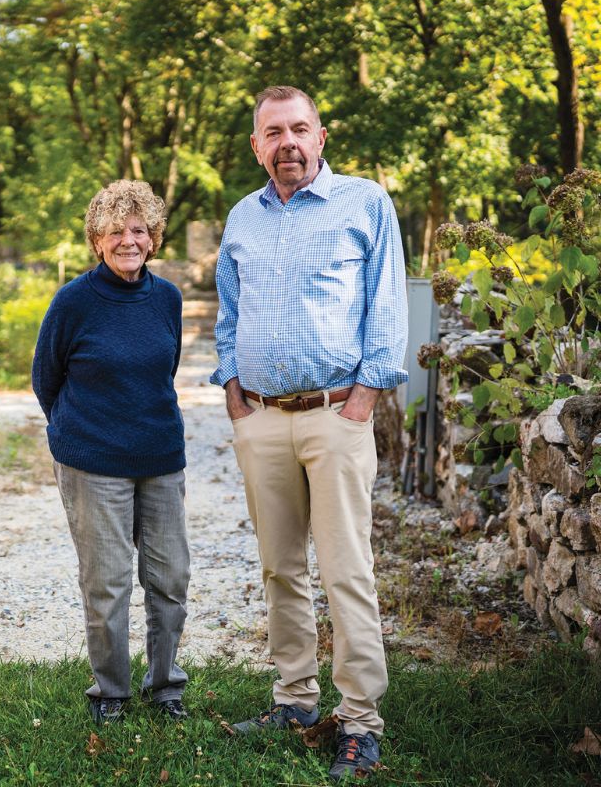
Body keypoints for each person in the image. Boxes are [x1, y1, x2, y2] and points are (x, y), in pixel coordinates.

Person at [209, 85, 407, 780]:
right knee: (279, 567)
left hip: (336, 415)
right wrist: (234, 392)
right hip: (262, 419)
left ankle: (360, 720)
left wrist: (364, 399)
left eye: (299, 129)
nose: (287, 142)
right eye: (273, 132)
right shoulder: (242, 217)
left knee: (346, 569)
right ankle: (293, 699)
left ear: (321, 137)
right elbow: (228, 311)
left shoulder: (365, 203)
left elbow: (386, 306)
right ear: (256, 145)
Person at [32, 179, 189, 726]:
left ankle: (165, 687)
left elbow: (163, 371)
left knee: (170, 579)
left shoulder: (168, 299)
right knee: (107, 583)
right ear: (97, 240)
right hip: (92, 463)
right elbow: (46, 379)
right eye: (116, 231)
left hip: (160, 459)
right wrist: (80, 434)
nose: (129, 240)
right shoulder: (73, 301)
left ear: (153, 238)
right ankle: (111, 693)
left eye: (139, 230)